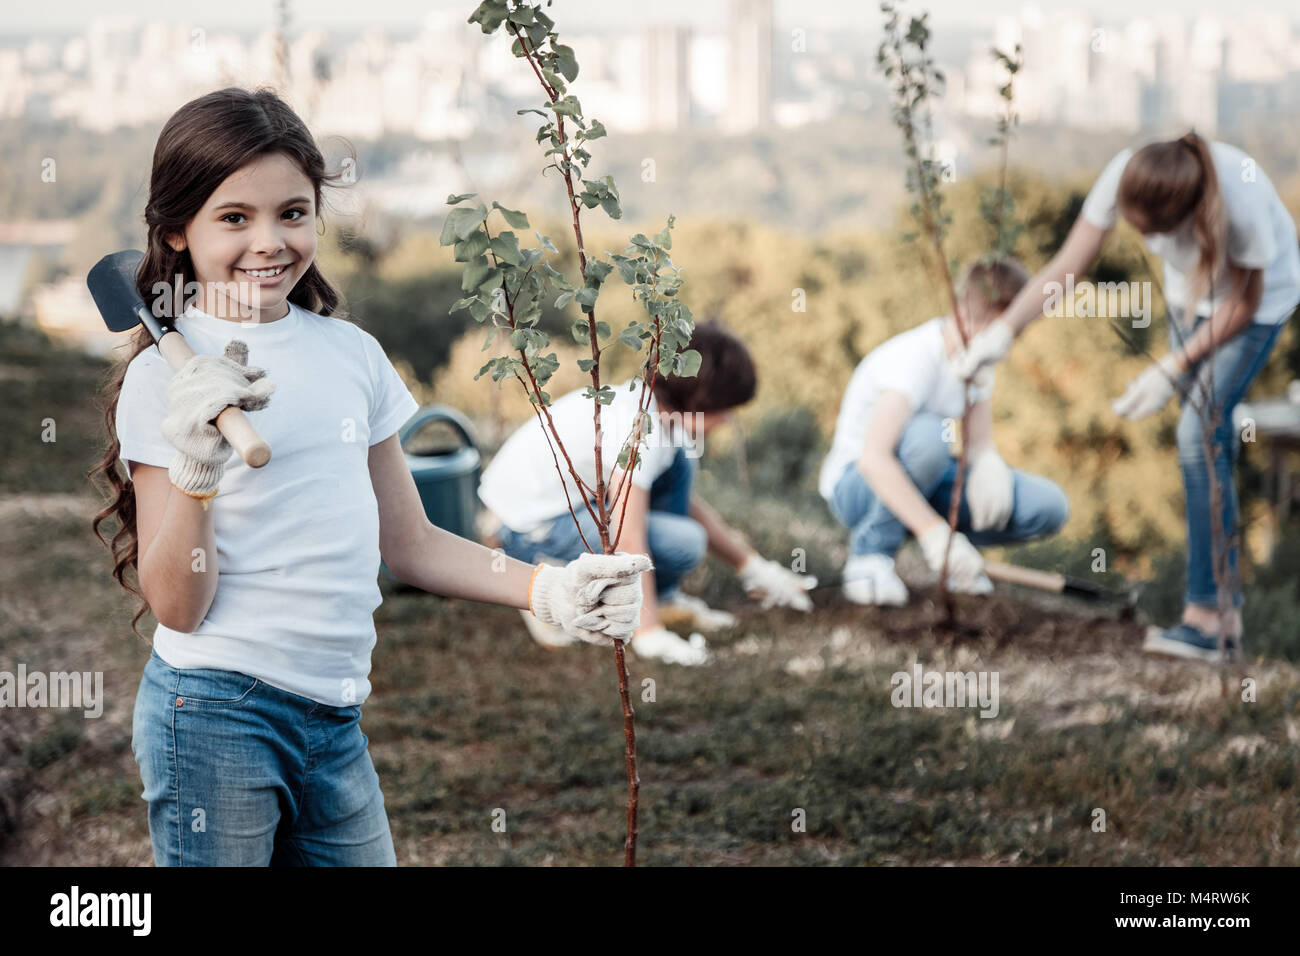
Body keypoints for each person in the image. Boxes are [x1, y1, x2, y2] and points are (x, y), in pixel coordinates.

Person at [90, 88, 649, 867]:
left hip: (336, 718)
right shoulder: (167, 382)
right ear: (178, 230)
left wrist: (548, 589)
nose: (269, 241)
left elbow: (412, 542)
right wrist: (194, 470)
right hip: (216, 712)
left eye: (292, 212)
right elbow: (179, 609)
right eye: (234, 217)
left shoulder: (352, 356)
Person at [953, 133, 1300, 661]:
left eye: (1148, 228)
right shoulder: (1124, 174)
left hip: (1258, 303)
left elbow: (1243, 306)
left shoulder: (1243, 202)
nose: (1135, 232)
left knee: (1199, 432)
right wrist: (1004, 334)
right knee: (1202, 439)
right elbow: (1067, 268)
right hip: (1194, 299)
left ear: (1184, 217)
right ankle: (1214, 618)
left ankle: (1212, 621)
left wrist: (1170, 367)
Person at [480, 320, 817, 666]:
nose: (728, 420)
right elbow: (629, 539)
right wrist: (648, 633)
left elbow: (686, 505)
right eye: (724, 410)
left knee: (681, 467)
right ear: (700, 399)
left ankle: (663, 598)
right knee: (683, 543)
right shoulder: (638, 429)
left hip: (559, 506)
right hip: (525, 526)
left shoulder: (656, 411)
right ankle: (551, 576)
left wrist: (754, 568)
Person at [818, 258, 1070, 605]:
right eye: (1005, 330)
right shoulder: (916, 359)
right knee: (930, 438)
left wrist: (987, 464)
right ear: (966, 314)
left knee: (1047, 505)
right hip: (857, 487)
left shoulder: (979, 361)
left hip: (924, 478)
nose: (1010, 347)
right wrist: (934, 533)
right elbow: (873, 460)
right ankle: (870, 557)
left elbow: (978, 444)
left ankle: (957, 563)